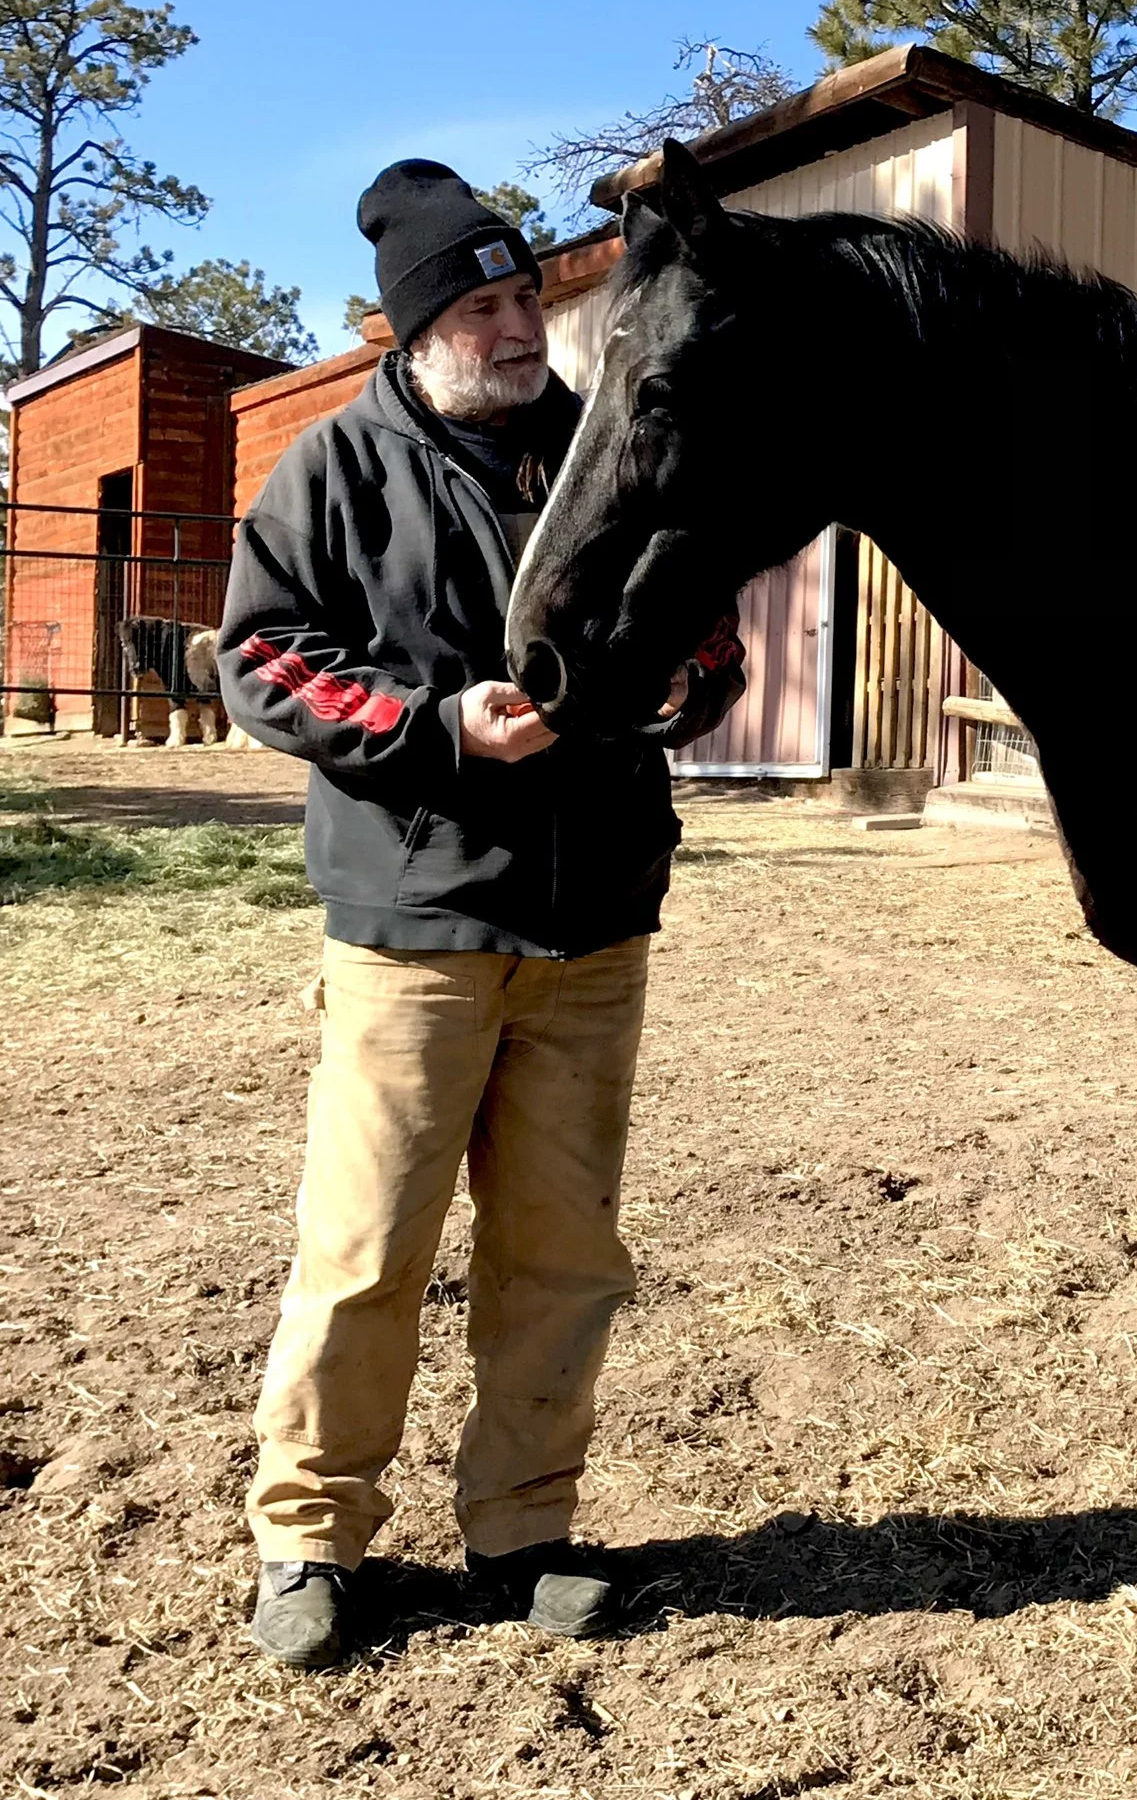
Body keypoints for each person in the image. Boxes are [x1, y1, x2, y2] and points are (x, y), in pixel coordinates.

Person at [217, 160, 746, 1669]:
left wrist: (682, 683)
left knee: (563, 1253)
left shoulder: (607, 449)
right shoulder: (337, 469)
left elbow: (704, 627)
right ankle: (310, 1536)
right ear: (424, 327)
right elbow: (264, 659)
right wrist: (439, 731)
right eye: (489, 304)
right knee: (369, 1245)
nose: (523, 328)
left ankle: (524, 1524)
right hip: (417, 927)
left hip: (592, 927)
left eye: (530, 299)